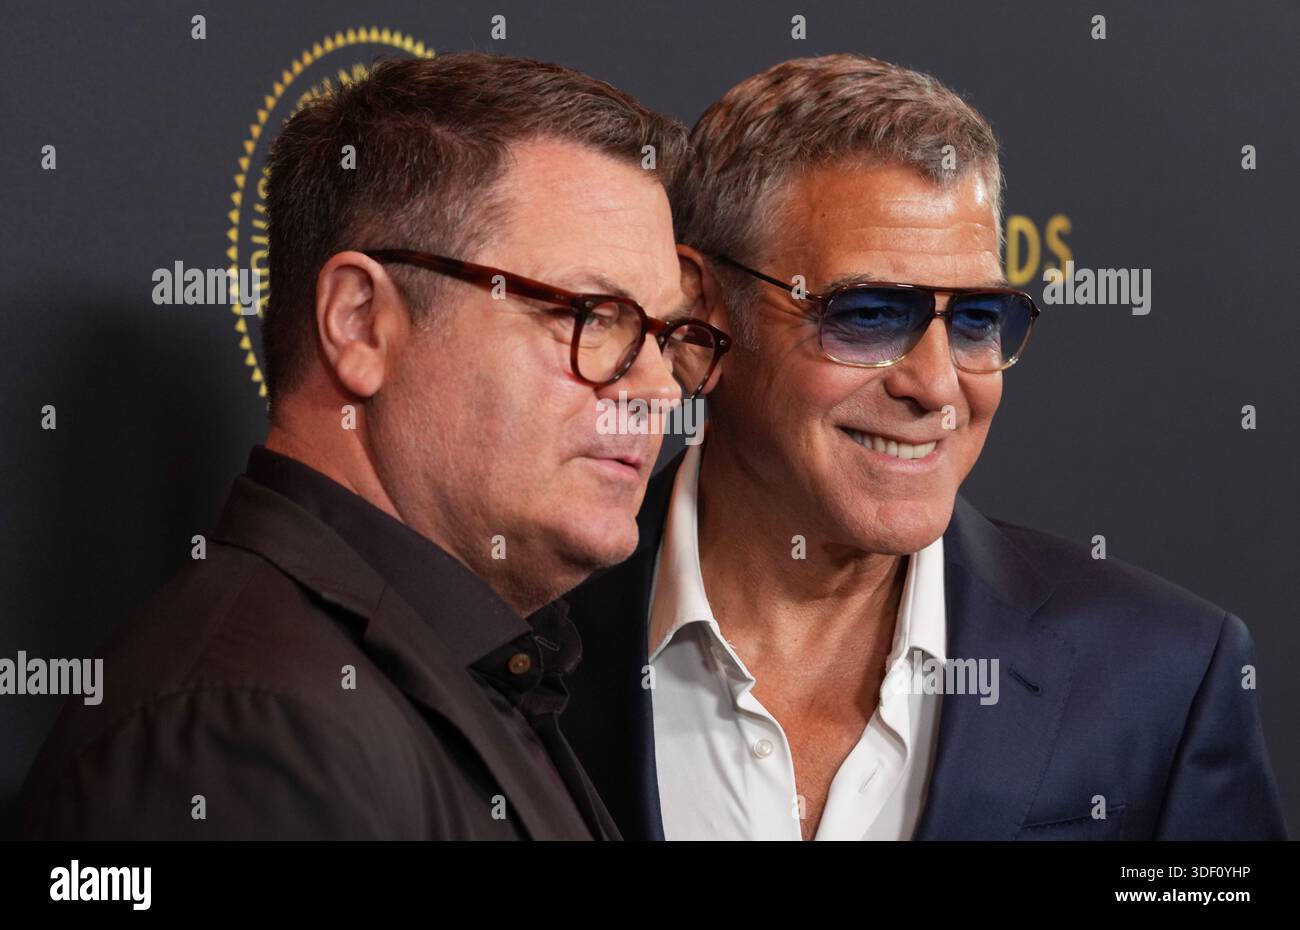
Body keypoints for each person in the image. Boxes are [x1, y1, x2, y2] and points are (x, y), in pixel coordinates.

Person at [561, 53, 1287, 841]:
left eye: (976, 320)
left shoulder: (1162, 676)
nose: (937, 386)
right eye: (869, 314)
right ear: (700, 321)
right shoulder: (520, 638)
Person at [18, 52, 728, 840]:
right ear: (359, 324)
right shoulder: (245, 731)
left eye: (667, 337)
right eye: (594, 317)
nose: (661, 392)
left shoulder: (474, 679)